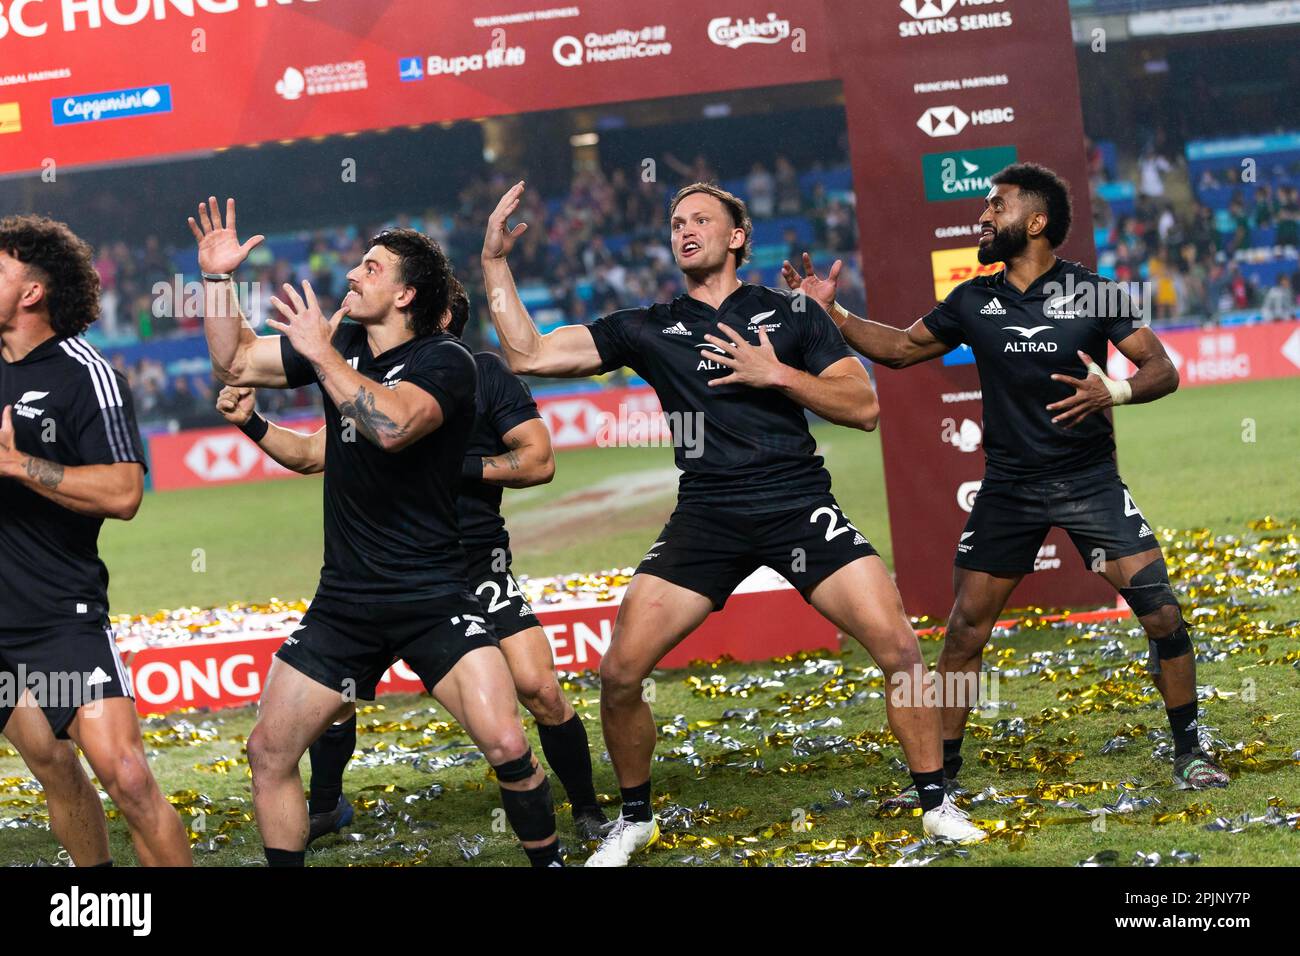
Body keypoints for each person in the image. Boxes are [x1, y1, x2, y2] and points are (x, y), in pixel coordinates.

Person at [480, 180, 986, 867]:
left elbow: (861, 405)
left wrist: (774, 374)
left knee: (899, 649)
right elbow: (530, 356)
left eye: (699, 220)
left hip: (798, 504)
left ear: (737, 236)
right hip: (708, 517)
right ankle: (634, 821)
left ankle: (935, 806)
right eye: (675, 221)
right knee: (621, 673)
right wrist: (494, 263)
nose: (683, 230)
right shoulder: (649, 325)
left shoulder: (793, 315)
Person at [782, 163, 1231, 806]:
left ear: (1037, 221)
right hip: (1011, 488)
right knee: (965, 629)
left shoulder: (1094, 293)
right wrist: (836, 313)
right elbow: (901, 350)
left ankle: (1189, 752)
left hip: (1089, 482)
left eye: (998, 205)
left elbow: (1163, 368)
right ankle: (943, 776)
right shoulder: (973, 299)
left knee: (1161, 611)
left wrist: (1117, 389)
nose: (984, 216)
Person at [188, 197, 562, 866]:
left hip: (434, 594)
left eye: (371, 266)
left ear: (405, 294)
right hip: (347, 601)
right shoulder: (345, 344)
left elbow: (392, 426)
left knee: (507, 743)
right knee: (268, 752)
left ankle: (552, 860)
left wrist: (321, 355)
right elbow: (236, 362)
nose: (353, 275)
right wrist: (218, 282)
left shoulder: (448, 361)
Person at [0, 214, 192, 866]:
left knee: (128, 776)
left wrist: (21, 465)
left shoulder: (84, 373)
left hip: (55, 615)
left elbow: (123, 493)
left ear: (32, 292)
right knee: (54, 766)